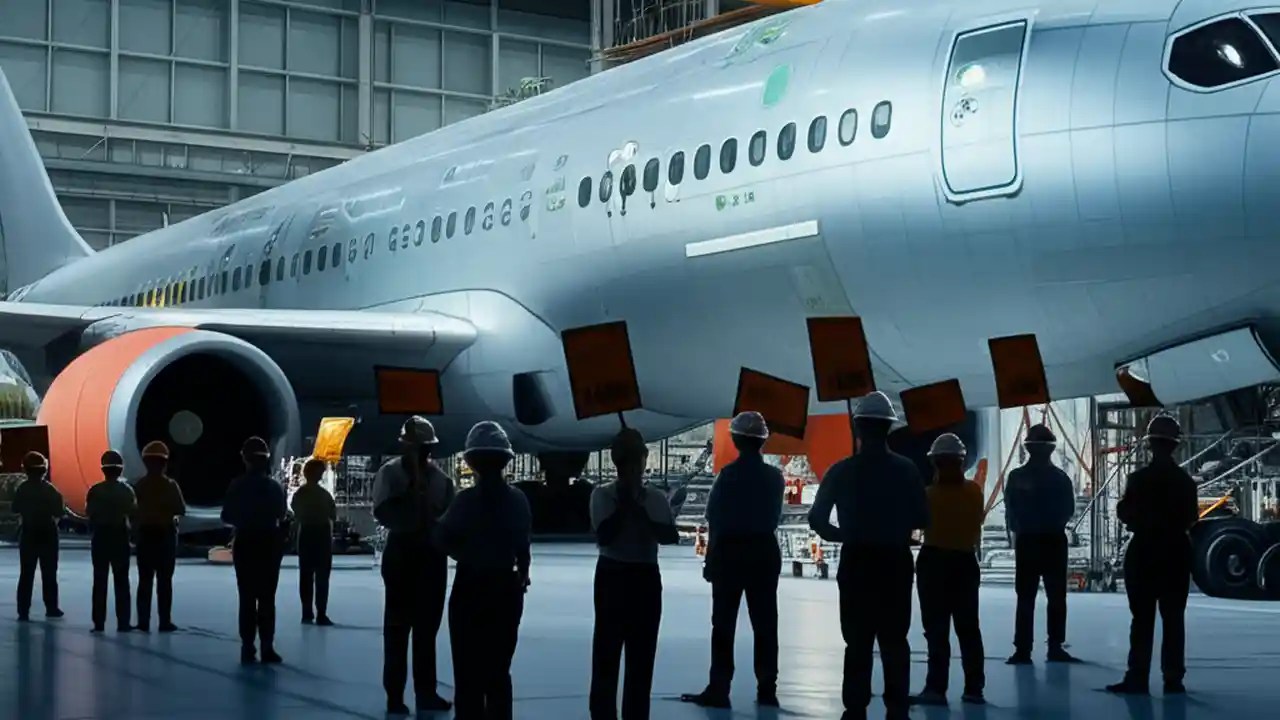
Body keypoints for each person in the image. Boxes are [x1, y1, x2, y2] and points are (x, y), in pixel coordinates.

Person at [809, 391, 928, 720]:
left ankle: (855, 707)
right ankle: (897, 708)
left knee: (857, 642)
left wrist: (844, 535)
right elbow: (923, 518)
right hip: (894, 562)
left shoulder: (840, 471)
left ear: (857, 428)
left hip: (857, 562)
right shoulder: (906, 470)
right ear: (888, 428)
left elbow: (817, 519)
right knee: (894, 640)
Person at [682, 411, 784, 710]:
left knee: (723, 624)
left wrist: (710, 559)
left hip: (730, 552)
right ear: (762, 441)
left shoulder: (727, 476)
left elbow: (717, 520)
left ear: (736, 439)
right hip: (764, 552)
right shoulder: (774, 478)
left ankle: (719, 687)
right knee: (766, 622)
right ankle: (767, 687)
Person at [435, 421, 531, 720]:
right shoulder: (518, 500)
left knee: (468, 672)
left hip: (471, 586)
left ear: (471, 461)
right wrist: (522, 574)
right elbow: (523, 548)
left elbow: (441, 539)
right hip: (505, 585)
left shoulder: (465, 502)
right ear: (505, 460)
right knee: (499, 671)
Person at [589, 428, 680, 720]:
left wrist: (639, 513)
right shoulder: (603, 496)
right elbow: (605, 536)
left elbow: (670, 536)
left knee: (633, 653)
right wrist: (628, 507)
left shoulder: (652, 498)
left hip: (630, 575)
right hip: (626, 574)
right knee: (610, 651)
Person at [1106, 414, 1199, 696]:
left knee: (1142, 619)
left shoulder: (1138, 479)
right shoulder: (1185, 482)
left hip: (1144, 551)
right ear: (1175, 446)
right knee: (1173, 619)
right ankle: (1173, 679)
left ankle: (1137, 677)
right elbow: (1191, 518)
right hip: (1174, 553)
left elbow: (1124, 513)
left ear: (1149, 445)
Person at [373, 416, 456, 714]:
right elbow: (382, 511)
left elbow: (449, 516)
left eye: (423, 449)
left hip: (431, 554)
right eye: (415, 448)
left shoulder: (442, 481)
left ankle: (426, 692)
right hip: (403, 551)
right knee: (396, 630)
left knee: (426, 632)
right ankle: (394, 695)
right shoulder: (391, 475)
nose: (420, 454)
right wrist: (411, 495)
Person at [910, 434, 986, 707]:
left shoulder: (928, 495)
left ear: (935, 463)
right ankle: (974, 687)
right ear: (961, 462)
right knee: (969, 629)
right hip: (965, 563)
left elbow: (916, 524)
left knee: (936, 630)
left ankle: (936, 688)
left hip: (934, 563)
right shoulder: (974, 492)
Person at [1004, 423, 1079, 664]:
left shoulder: (1016, 477)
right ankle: (1055, 646)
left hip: (1028, 542)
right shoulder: (1060, 479)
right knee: (1056, 596)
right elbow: (1068, 510)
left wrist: (1024, 529)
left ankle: (1023, 650)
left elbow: (1011, 513)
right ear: (1051, 449)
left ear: (1027, 448)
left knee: (1025, 597)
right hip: (1053, 542)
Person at [221, 436, 288, 664]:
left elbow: (226, 516)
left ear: (245, 459)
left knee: (247, 597)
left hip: (246, 542)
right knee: (267, 598)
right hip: (269, 542)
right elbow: (281, 514)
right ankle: (267, 647)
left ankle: (247, 647)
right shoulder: (275, 488)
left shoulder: (236, 486)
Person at [133, 440, 186, 633]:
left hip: (145, 535)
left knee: (144, 580)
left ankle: (143, 621)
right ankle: (165, 621)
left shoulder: (140, 486)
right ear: (164, 463)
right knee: (165, 582)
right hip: (165, 536)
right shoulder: (171, 486)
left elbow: (133, 512)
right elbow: (181, 509)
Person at [86, 449, 137, 633]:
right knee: (122, 581)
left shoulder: (95, 490)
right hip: (119, 536)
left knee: (99, 581)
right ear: (120, 469)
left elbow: (89, 513)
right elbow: (133, 512)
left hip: (100, 537)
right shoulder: (126, 490)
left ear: (103, 469)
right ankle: (123, 622)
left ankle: (99, 622)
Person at [12, 451, 64, 621]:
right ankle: (51, 607)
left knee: (26, 574)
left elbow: (15, 508)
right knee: (49, 573)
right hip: (48, 534)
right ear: (44, 469)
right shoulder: (51, 490)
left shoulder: (22, 489)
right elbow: (59, 512)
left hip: (28, 533)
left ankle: (23, 610)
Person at [291, 457, 336, 626]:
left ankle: (307, 612)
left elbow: (295, 511)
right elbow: (333, 515)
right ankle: (321, 613)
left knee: (306, 575)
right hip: (322, 534)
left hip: (306, 534)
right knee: (322, 576)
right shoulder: (325, 495)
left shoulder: (299, 494)